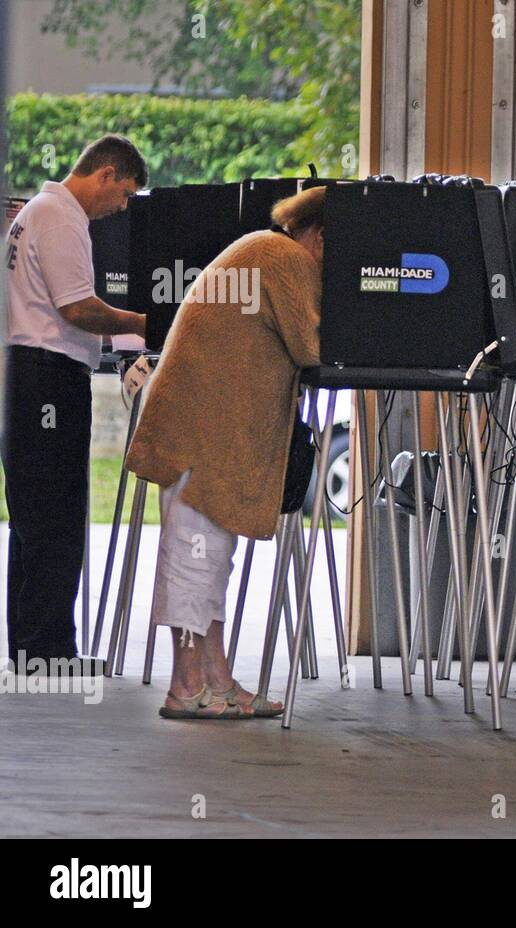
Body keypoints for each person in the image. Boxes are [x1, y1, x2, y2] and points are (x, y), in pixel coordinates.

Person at [125, 185, 325, 719]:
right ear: (322, 236)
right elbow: (311, 344)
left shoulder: (261, 247)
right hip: (203, 433)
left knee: (208, 560)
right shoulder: (284, 256)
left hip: (205, 430)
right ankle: (185, 687)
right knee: (195, 561)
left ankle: (217, 682)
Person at [3, 135, 148, 676]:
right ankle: (47, 653)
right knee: (57, 515)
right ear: (105, 174)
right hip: (49, 378)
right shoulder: (61, 218)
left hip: (26, 374)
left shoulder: (36, 213)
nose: (122, 206)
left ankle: (31, 649)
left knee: (34, 517)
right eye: (125, 192)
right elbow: (79, 309)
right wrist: (143, 322)